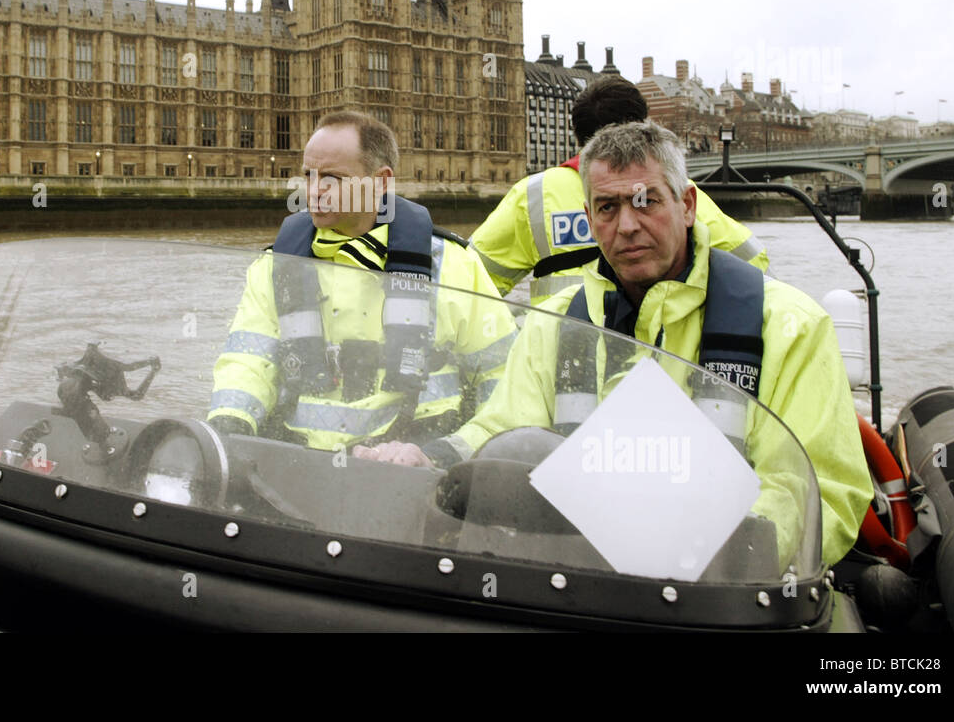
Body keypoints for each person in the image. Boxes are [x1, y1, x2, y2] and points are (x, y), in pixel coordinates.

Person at [358, 120, 872, 566]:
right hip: (576, 575)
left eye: (645, 201)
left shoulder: (792, 325)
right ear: (588, 215)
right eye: (607, 207)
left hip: (716, 590)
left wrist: (719, 546)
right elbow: (504, 430)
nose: (626, 225)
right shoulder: (555, 323)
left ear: (688, 204)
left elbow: (819, 491)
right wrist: (430, 456)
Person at [208, 111, 516, 452]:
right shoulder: (276, 264)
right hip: (299, 463)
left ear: (381, 181)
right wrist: (227, 427)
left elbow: (502, 379)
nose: (313, 190)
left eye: (332, 178)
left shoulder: (450, 263)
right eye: (308, 176)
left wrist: (451, 452)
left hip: (415, 461)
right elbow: (248, 361)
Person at [469, 78, 768, 304]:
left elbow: (465, 280)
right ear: (642, 132)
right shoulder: (675, 195)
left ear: (577, 133)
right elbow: (754, 267)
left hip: (560, 363)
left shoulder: (534, 194)